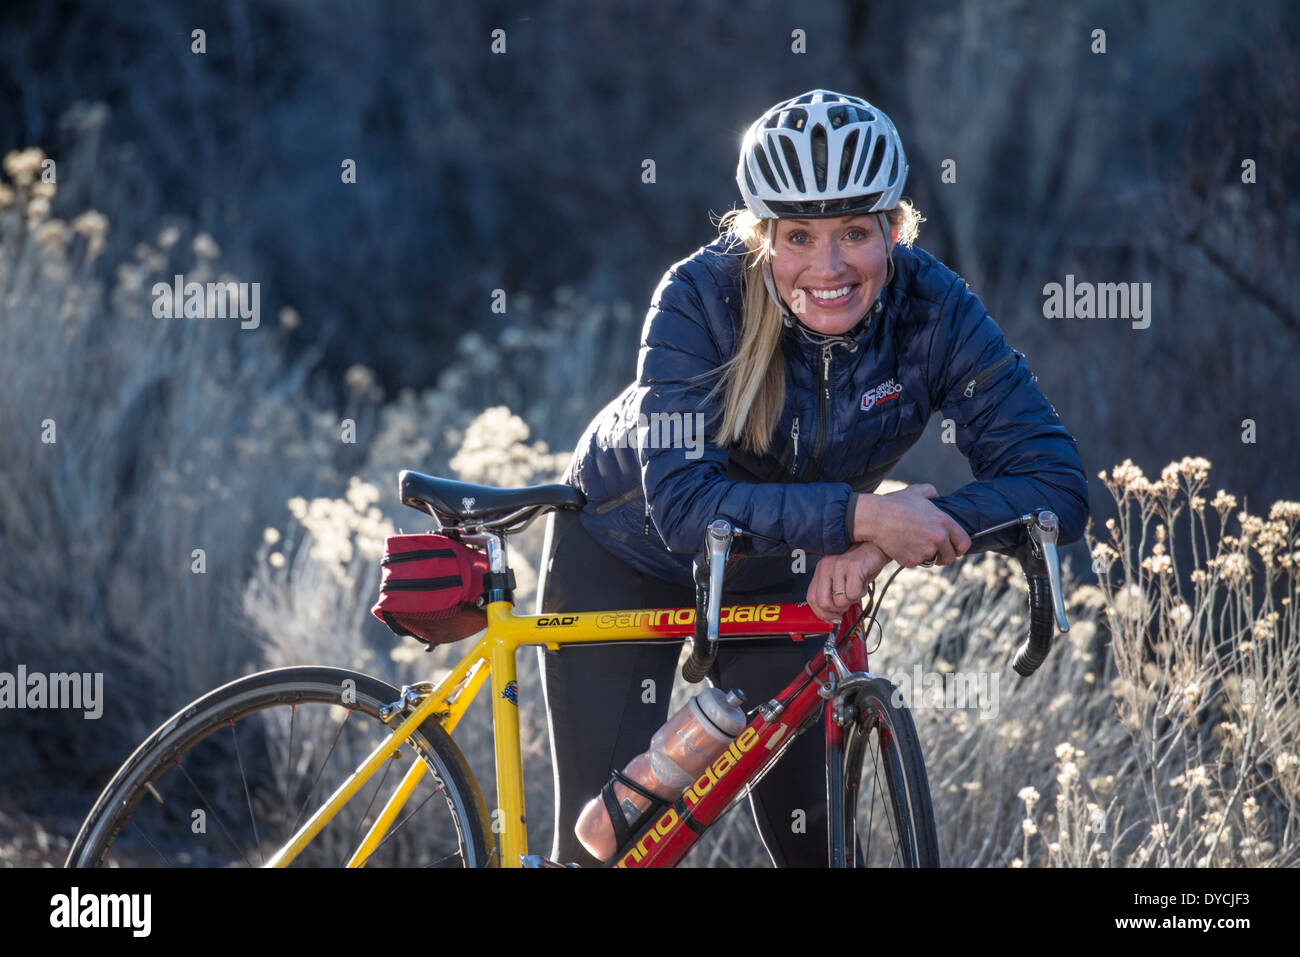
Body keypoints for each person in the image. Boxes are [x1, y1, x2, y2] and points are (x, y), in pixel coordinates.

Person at [535, 89, 1089, 867]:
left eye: (855, 233)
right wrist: (864, 516)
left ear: (894, 231)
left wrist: (872, 544)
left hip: (788, 569)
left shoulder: (935, 310)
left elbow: (1055, 482)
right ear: (762, 238)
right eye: (798, 236)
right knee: (603, 853)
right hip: (628, 550)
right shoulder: (696, 299)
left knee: (818, 848)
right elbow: (686, 509)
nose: (827, 269)